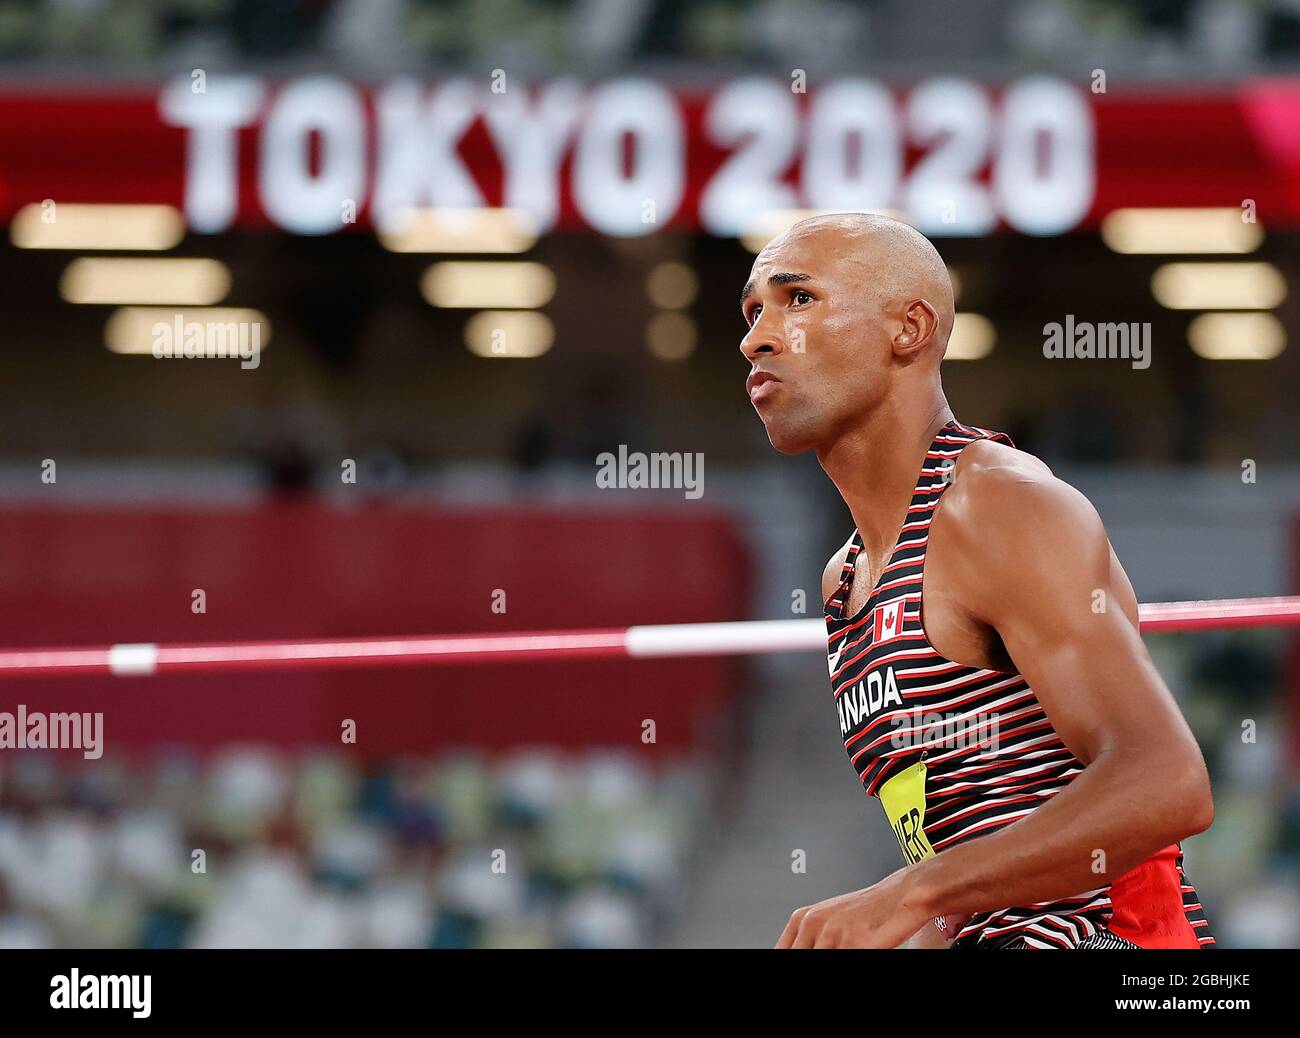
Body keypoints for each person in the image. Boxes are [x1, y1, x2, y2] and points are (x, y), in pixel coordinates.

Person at [741, 213, 1214, 949]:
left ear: (911, 328)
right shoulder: (846, 579)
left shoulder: (995, 507)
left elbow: (1167, 780)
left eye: (797, 299)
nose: (757, 337)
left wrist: (909, 892)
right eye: (753, 312)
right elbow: (966, 861)